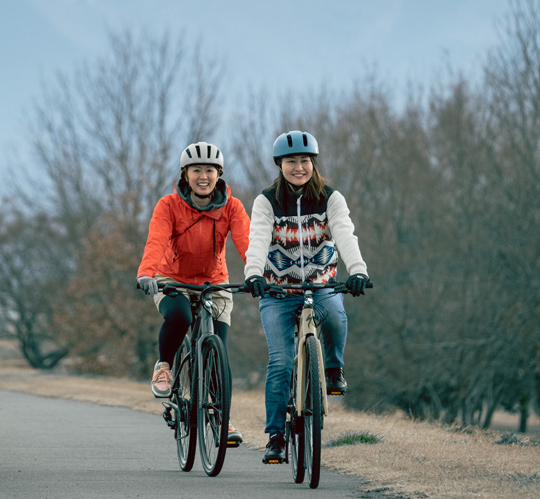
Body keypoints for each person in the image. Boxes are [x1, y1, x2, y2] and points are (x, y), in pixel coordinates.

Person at [243, 130, 371, 464]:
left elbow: (344, 232)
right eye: (291, 162)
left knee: (335, 315)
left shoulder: (330, 197)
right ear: (279, 165)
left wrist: (357, 269)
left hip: (320, 283)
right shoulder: (266, 200)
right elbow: (257, 238)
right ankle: (275, 436)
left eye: (304, 161)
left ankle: (333, 368)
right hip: (277, 290)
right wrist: (253, 273)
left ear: (313, 163)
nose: (298, 167)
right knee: (281, 361)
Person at [137, 141, 251, 446]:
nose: (203, 176)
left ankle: (220, 419)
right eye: (196, 170)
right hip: (172, 279)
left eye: (209, 170)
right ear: (185, 174)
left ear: (219, 174)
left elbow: (247, 244)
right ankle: (164, 367)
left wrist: (258, 276)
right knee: (180, 316)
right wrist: (147, 273)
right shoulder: (168, 205)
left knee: (218, 356)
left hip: (214, 283)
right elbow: (156, 240)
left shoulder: (232, 207)